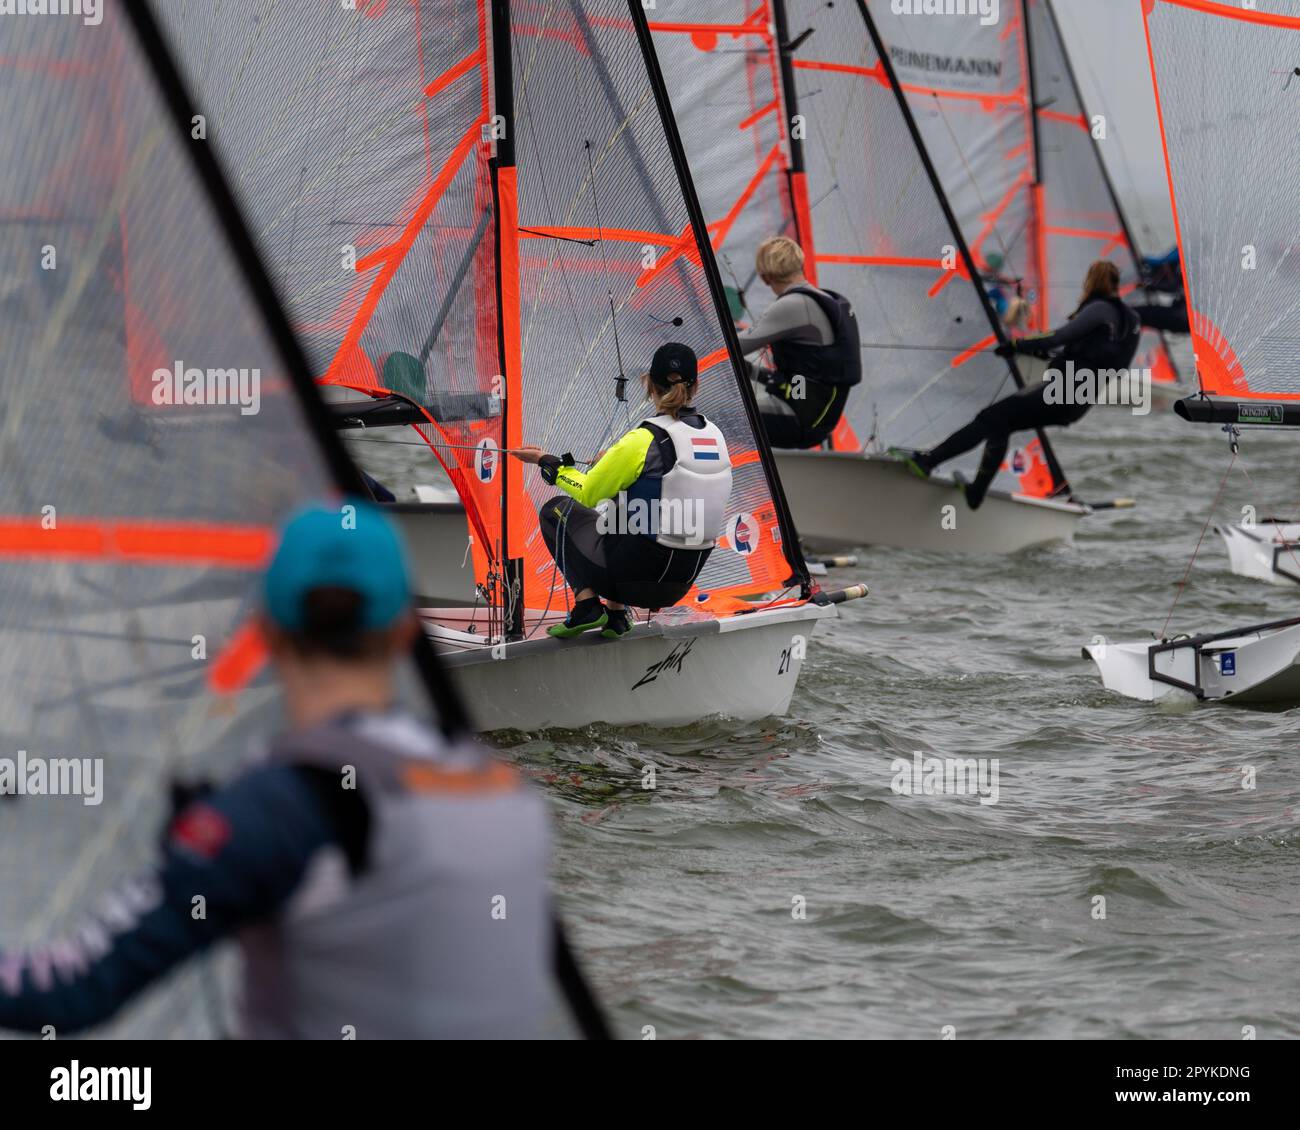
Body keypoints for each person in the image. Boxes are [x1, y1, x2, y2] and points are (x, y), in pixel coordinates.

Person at [0, 499, 557, 1038]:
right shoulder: (507, 794)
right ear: (405, 632)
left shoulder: (273, 812)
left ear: (265, 629)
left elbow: (68, 993)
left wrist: (211, 857)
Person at [513, 343, 733, 639]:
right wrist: (619, 467)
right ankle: (617, 615)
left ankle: (587, 606)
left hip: (632, 579)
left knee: (555, 510)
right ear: (697, 385)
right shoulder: (717, 437)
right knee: (630, 503)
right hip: (679, 584)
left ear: (648, 384)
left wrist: (549, 463)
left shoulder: (642, 439)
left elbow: (589, 492)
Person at [893, 260, 1141, 511]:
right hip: (1080, 400)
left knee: (989, 418)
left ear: (1091, 282)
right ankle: (976, 491)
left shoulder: (1100, 309)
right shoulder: (1130, 321)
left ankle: (930, 461)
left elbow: (1058, 336)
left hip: (1062, 393)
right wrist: (1051, 357)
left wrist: (1017, 345)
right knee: (1003, 423)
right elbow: (1097, 358)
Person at [735, 236, 861, 449]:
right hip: (814, 419)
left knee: (714, 412)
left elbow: (731, 347)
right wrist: (753, 371)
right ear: (800, 264)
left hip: (797, 420)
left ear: (765, 277)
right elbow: (802, 379)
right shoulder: (829, 300)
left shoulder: (793, 305)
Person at [1133, 246, 1189, 333]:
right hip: (1182, 317)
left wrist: (1152, 286)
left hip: (1182, 317)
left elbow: (1173, 286)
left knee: (1143, 314)